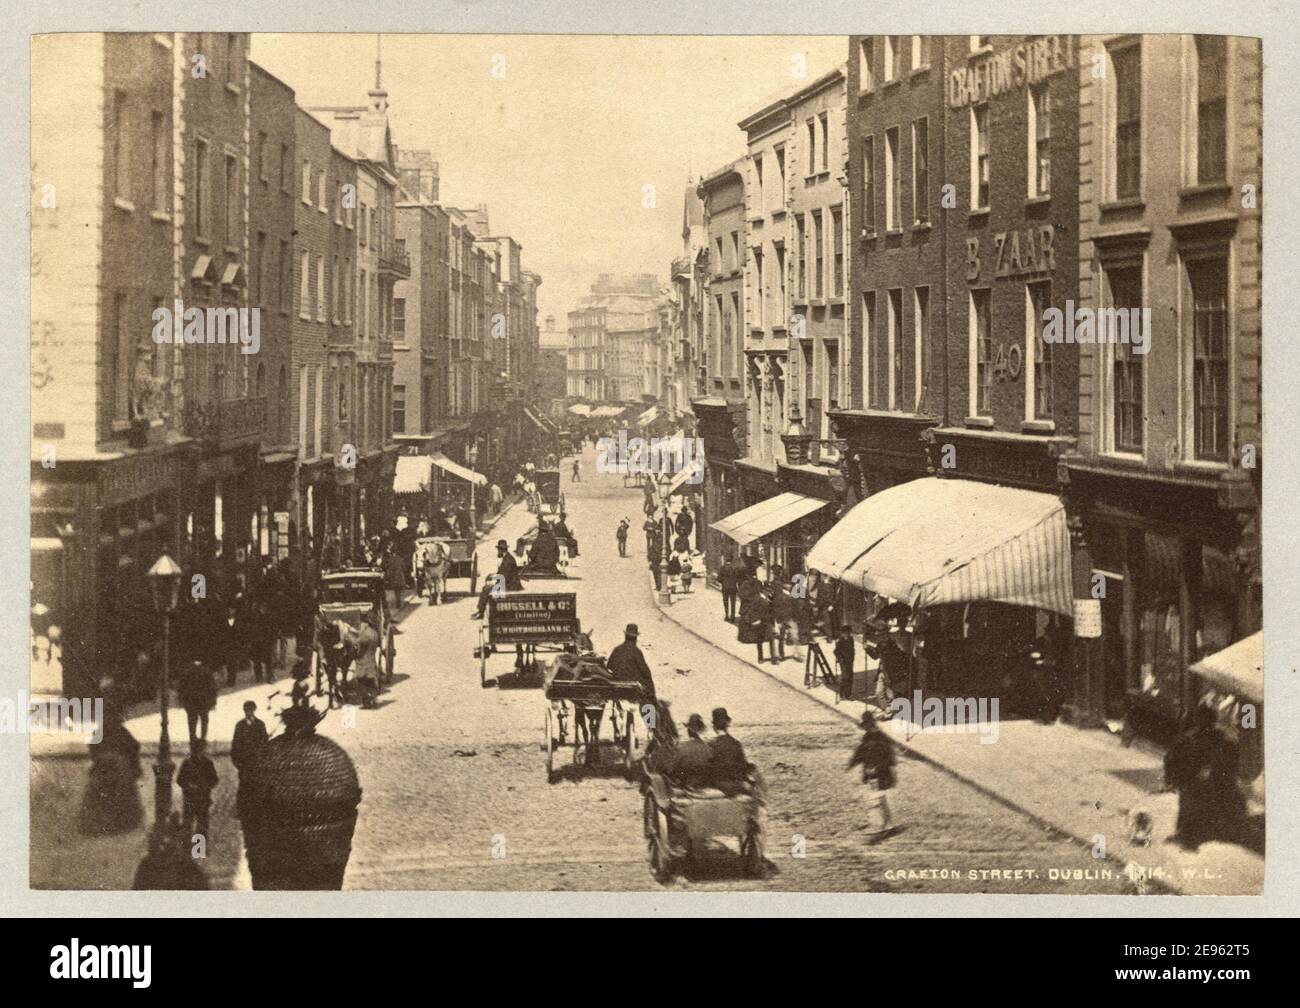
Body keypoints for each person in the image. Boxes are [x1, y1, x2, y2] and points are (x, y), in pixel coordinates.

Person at [1164, 703, 1246, 849]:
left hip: (1198, 782)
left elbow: (1172, 757)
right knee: (1190, 807)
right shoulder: (1210, 738)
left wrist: (1172, 778)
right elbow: (1173, 757)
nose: (1200, 722)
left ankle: (1188, 837)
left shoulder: (1198, 737)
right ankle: (1187, 836)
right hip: (1195, 781)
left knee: (1191, 807)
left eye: (1202, 719)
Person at [848, 713, 896, 839]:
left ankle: (878, 825)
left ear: (870, 724)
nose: (865, 728)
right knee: (879, 799)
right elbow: (860, 752)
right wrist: (852, 763)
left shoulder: (881, 739)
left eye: (866, 726)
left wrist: (877, 768)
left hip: (880, 773)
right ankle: (888, 825)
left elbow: (889, 758)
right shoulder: (867, 737)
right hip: (871, 772)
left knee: (875, 799)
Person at [178, 738, 218, 840]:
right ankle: (187, 846)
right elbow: (180, 780)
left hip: (203, 798)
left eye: (200, 749)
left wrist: (204, 786)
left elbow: (214, 780)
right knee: (188, 823)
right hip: (190, 798)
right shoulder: (187, 763)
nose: (198, 751)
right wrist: (188, 785)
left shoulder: (208, 763)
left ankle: (199, 849)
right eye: (196, 749)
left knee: (202, 823)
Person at [472, 540, 522, 619]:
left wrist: (494, 582)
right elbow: (502, 573)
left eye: (498, 550)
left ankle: (481, 612)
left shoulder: (508, 560)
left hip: (510, 586)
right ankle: (481, 610)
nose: (498, 552)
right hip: (508, 583)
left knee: (486, 588)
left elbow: (505, 577)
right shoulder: (507, 557)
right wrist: (492, 576)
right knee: (487, 586)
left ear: (501, 550)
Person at [606, 623, 656, 701]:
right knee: (648, 687)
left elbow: (609, 666)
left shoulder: (617, 649)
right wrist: (651, 690)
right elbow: (645, 670)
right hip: (631, 685)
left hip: (616, 684)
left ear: (625, 636)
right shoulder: (636, 651)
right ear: (635, 638)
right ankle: (651, 708)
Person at [709, 708, 749, 793]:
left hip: (720, 785)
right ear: (727, 725)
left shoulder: (711, 745)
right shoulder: (736, 744)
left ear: (714, 727)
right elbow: (743, 767)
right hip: (737, 785)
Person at [178, 658, 217, 745]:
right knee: (204, 720)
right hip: (203, 701)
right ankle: (203, 738)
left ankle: (193, 738)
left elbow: (181, 687)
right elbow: (212, 688)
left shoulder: (187, 672)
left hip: (191, 701)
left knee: (192, 721)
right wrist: (213, 702)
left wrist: (182, 700)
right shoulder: (207, 672)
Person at [669, 714, 713, 788]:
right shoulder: (709, 748)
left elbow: (673, 770)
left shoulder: (682, 748)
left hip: (688, 786)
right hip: (705, 785)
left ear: (688, 730)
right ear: (701, 730)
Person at [834, 625, 856, 700]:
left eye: (848, 632)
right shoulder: (840, 640)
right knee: (845, 677)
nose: (847, 634)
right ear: (842, 633)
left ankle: (848, 695)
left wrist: (853, 657)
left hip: (850, 660)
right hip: (843, 661)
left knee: (850, 677)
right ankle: (841, 692)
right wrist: (839, 659)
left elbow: (852, 649)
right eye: (845, 633)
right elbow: (836, 651)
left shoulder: (851, 639)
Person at [719, 552, 740, 623]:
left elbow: (719, 578)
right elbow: (737, 578)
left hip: (725, 587)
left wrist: (723, 582)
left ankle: (727, 616)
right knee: (733, 602)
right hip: (733, 587)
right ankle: (733, 617)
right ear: (732, 560)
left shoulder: (722, 568)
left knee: (725, 601)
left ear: (725, 560)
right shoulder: (735, 568)